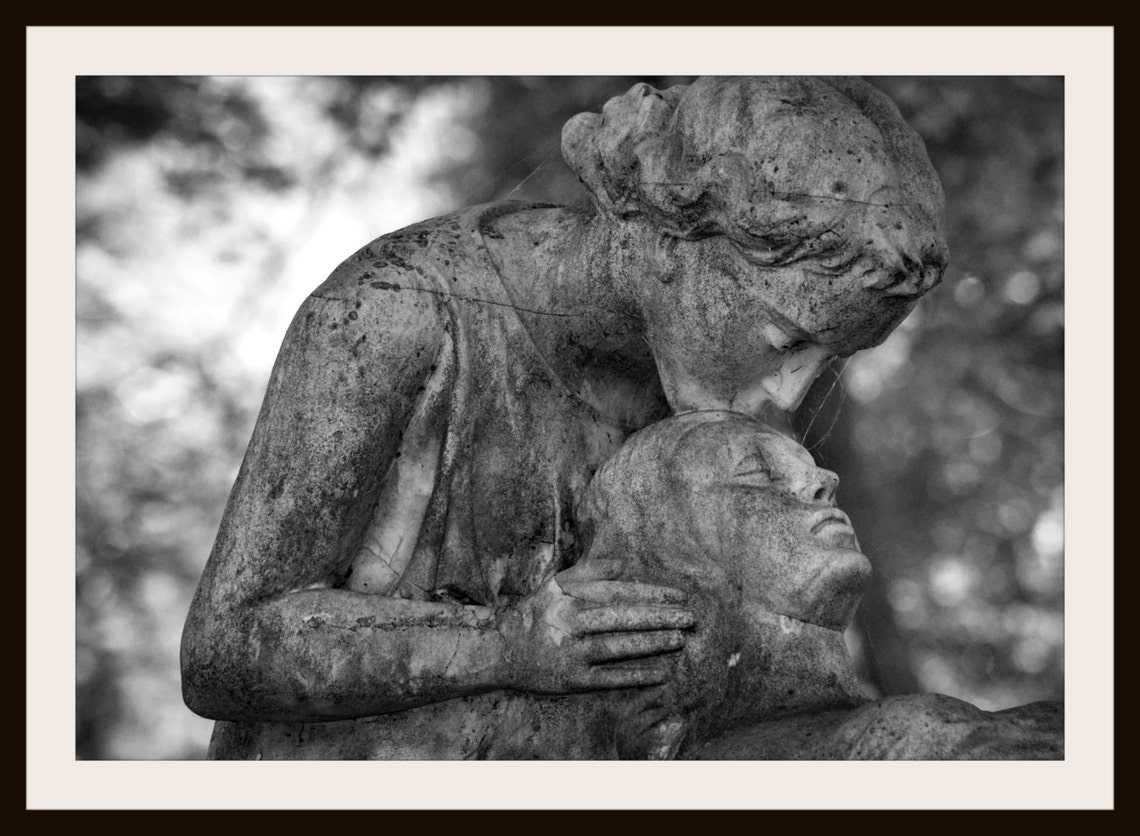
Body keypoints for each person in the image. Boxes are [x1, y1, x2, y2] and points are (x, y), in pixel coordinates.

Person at [181, 76, 949, 759]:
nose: (786, 395)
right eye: (786, 338)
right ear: (675, 236)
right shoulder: (392, 313)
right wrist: (502, 646)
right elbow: (223, 649)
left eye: (827, 362)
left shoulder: (702, 394)